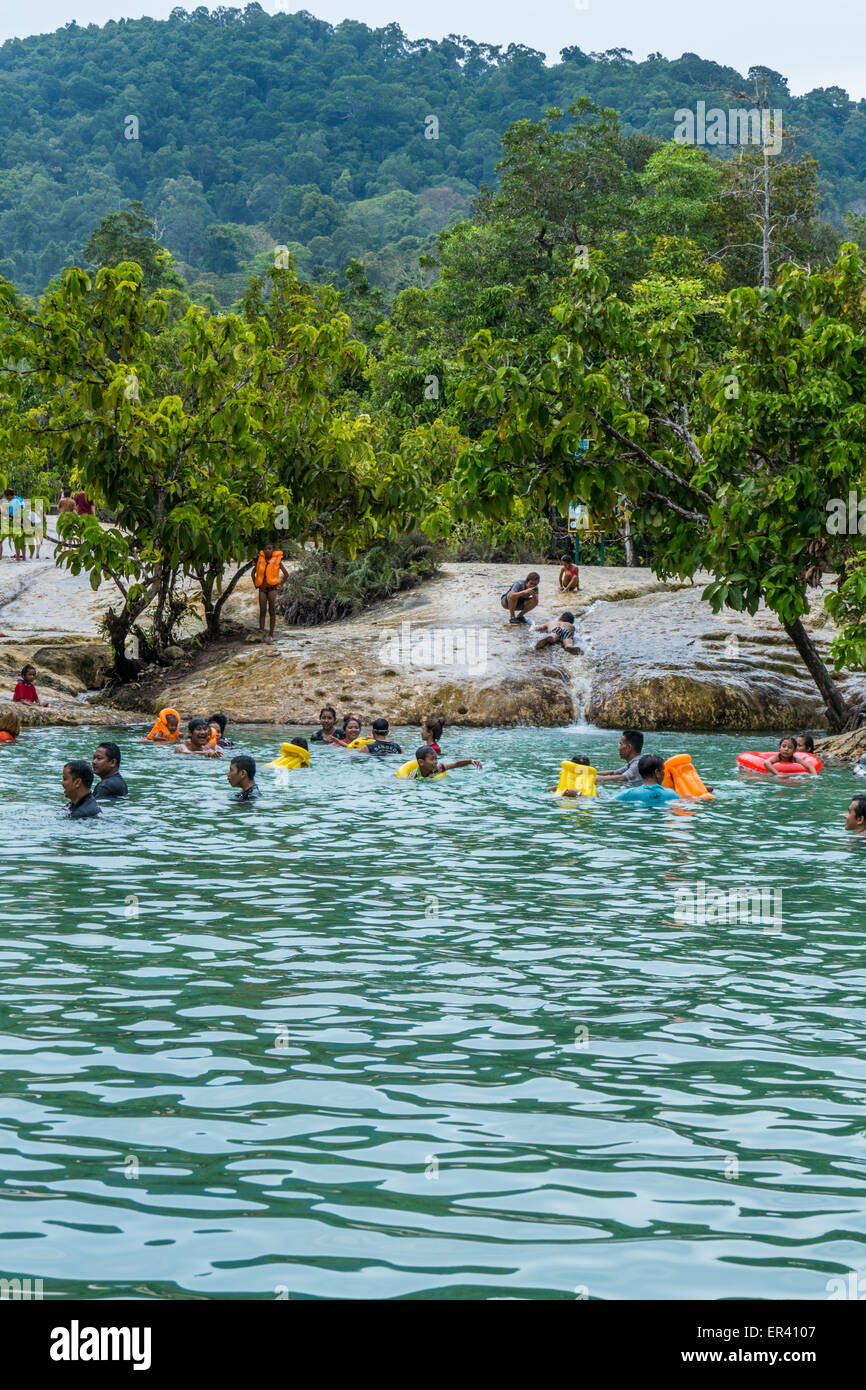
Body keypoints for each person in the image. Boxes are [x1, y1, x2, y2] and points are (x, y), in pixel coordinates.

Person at [253, 541, 290, 644]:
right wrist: (256, 584)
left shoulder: (277, 561)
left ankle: (271, 634)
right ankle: (261, 633)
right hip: (262, 589)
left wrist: (280, 585)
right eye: (266, 549)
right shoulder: (260, 560)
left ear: (273, 550)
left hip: (273, 589)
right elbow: (253, 573)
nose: (268, 550)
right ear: (263, 550)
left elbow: (286, 575)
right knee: (262, 611)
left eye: (270, 549)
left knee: (272, 611)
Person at [412, 745, 482, 779]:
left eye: (436, 758)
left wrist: (470, 761)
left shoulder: (438, 768)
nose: (436, 762)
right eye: (432, 759)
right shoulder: (415, 777)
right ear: (421, 762)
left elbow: (455, 764)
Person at [1, 488, 25, 561]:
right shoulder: (20, 499)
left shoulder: (13, 502)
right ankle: (23, 557)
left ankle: (18, 557)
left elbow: (11, 514)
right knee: (21, 541)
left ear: (9, 496)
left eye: (6, 497)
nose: (7, 499)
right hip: (24, 521)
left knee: (16, 540)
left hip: (17, 522)